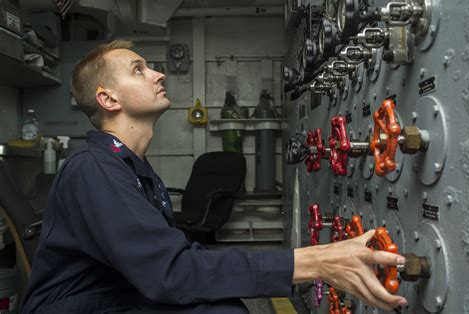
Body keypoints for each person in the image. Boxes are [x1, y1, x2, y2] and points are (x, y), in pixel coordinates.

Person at [21, 40, 407, 314]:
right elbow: (170, 272)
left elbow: (173, 261)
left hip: (116, 295)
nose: (159, 74)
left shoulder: (131, 168)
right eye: (139, 69)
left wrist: (308, 262)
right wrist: (317, 261)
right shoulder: (94, 169)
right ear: (108, 100)